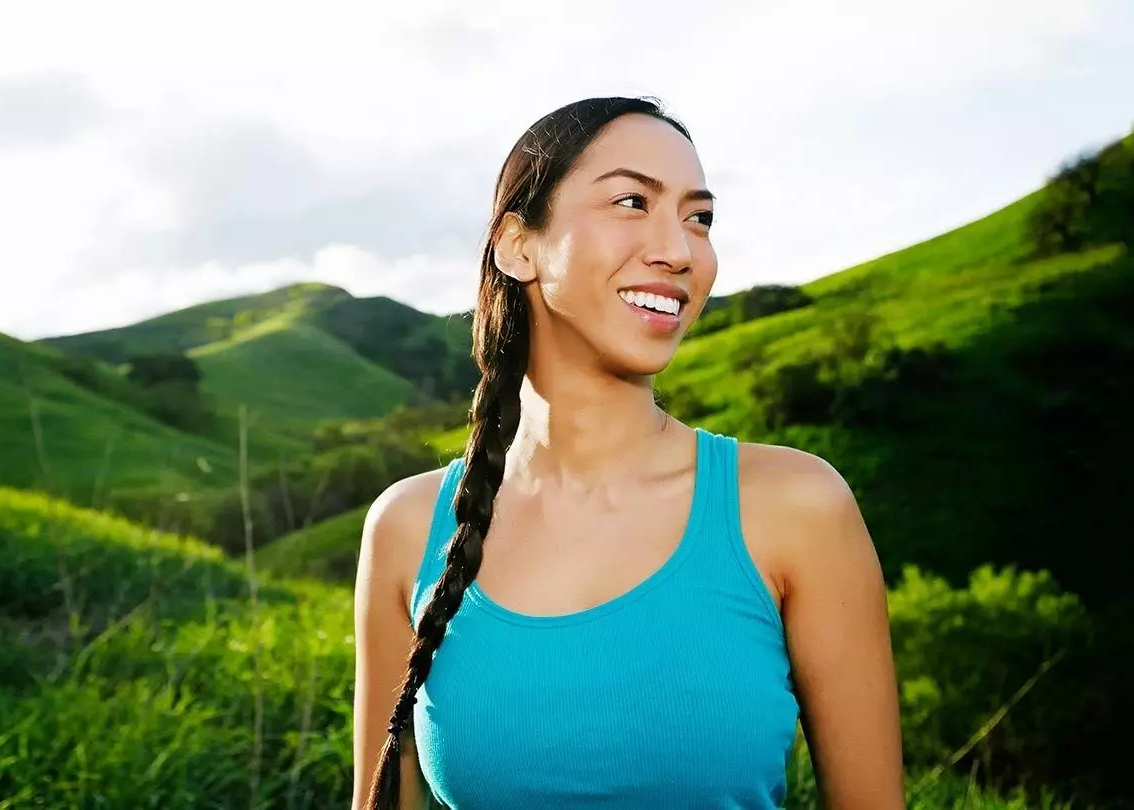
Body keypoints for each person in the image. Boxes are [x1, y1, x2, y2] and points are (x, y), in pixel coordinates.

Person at [351, 96, 904, 810]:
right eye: (632, 201)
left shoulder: (797, 506)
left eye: (699, 217)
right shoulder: (408, 526)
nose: (679, 250)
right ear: (520, 245)